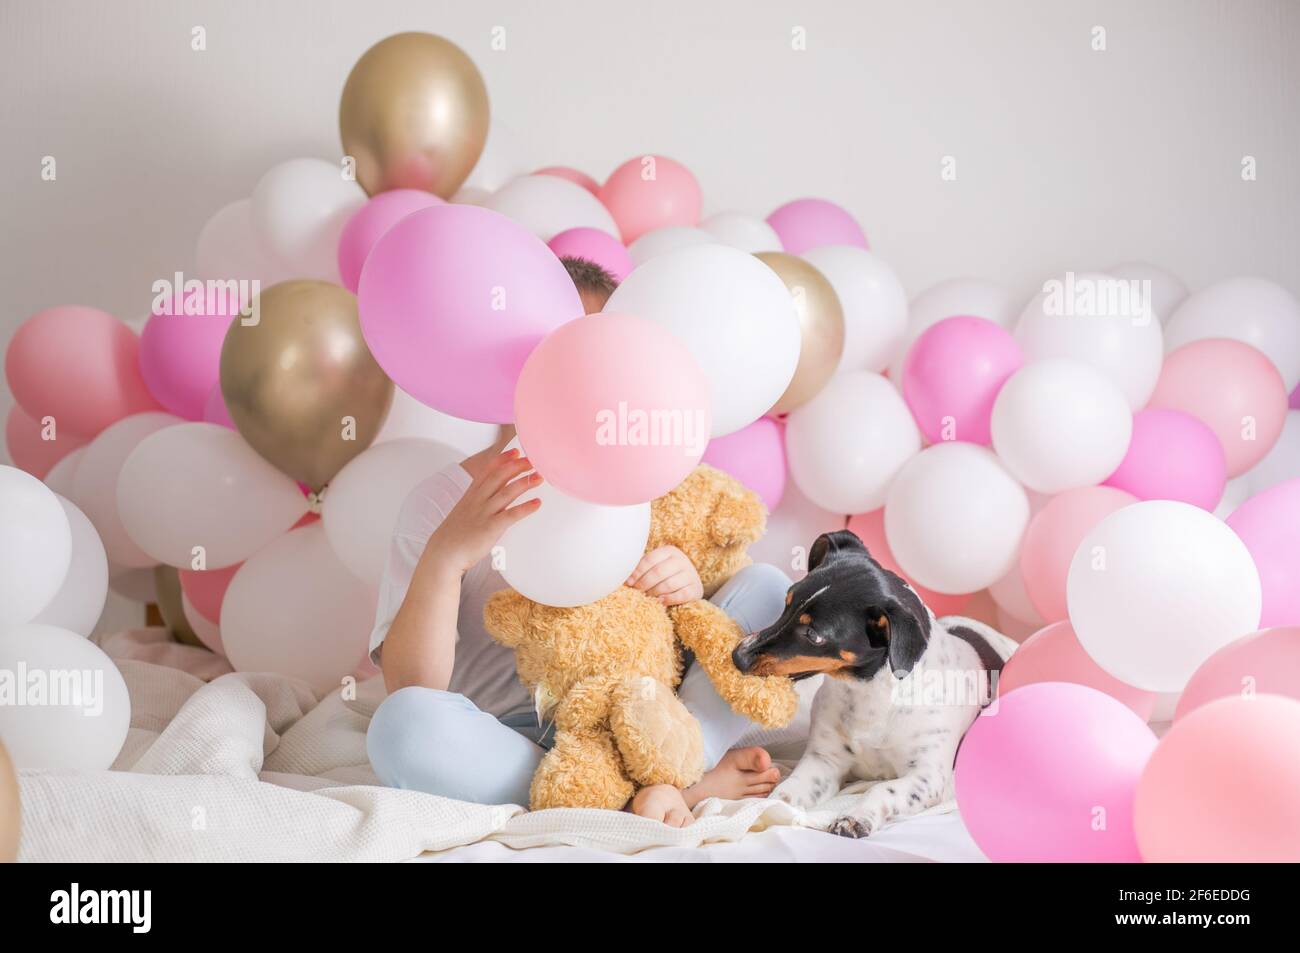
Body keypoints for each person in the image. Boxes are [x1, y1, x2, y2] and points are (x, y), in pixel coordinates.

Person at [365, 431, 792, 826]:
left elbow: (696, 628)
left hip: (648, 717)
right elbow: (411, 686)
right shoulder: (443, 501)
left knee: (771, 590)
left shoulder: (644, 479)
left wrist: (690, 585)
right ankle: (652, 790)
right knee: (400, 726)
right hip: (513, 742)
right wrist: (447, 554)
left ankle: (684, 761)